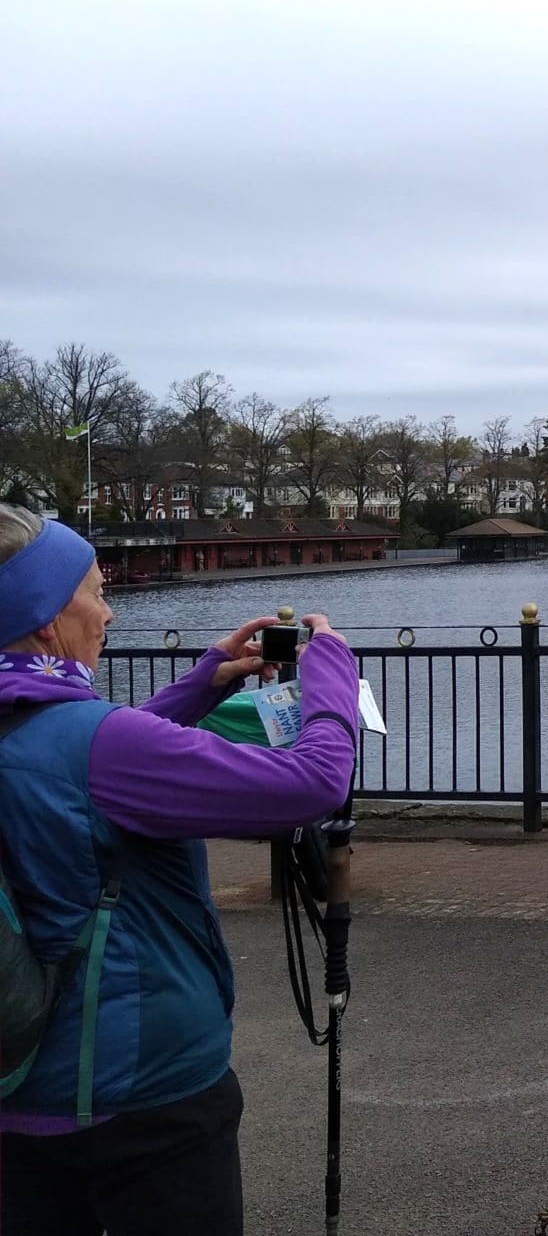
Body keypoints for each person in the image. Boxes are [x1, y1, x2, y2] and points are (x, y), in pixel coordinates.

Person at [0, 509, 359, 1236]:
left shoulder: (33, 728)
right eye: (95, 593)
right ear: (45, 619)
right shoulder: (97, 744)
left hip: (19, 1091)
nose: (107, 611)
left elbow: (85, 780)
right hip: (143, 1098)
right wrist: (333, 674)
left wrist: (198, 688)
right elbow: (314, 784)